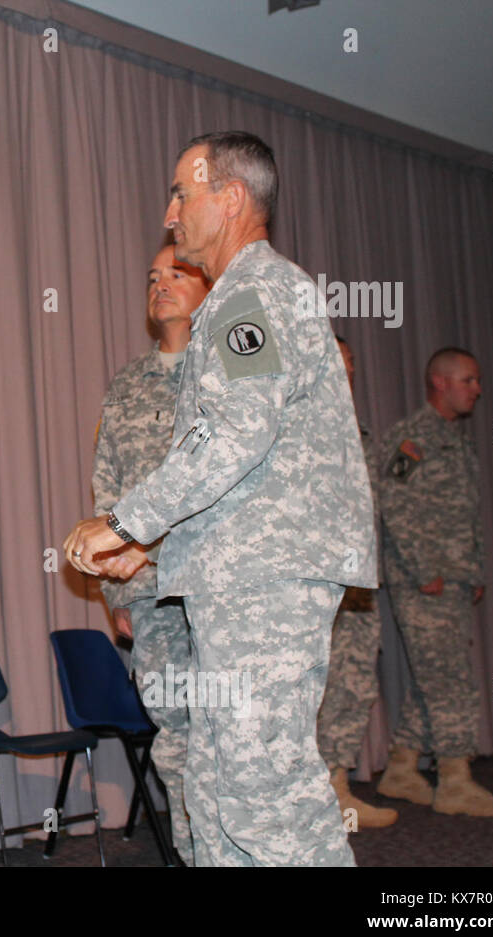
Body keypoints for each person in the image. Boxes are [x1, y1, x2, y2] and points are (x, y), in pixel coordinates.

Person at [64, 131, 376, 866]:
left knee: (265, 791)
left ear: (231, 197)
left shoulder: (251, 296)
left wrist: (123, 520)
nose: (170, 213)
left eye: (182, 192)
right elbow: (242, 455)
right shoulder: (239, 299)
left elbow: (238, 432)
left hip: (265, 578)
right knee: (212, 787)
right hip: (238, 574)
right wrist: (147, 544)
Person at [91, 243, 208, 864]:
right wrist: (118, 590)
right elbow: (107, 493)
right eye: (152, 276)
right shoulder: (127, 384)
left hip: (220, 586)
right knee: (179, 742)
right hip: (153, 596)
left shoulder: (227, 371)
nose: (160, 285)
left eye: (177, 273)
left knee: (237, 739)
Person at [373, 348, 493, 816]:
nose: (477, 390)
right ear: (440, 382)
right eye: (468, 380)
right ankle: (455, 779)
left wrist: (474, 570)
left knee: (432, 676)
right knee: (451, 679)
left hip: (452, 579)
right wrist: (422, 569)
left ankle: (401, 768)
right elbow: (393, 504)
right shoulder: (412, 438)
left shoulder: (457, 439)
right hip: (424, 582)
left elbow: (466, 513)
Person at [316, 337, 398, 828]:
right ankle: (315, 797)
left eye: (352, 366)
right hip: (323, 586)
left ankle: (337, 786)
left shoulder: (360, 433)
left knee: (354, 685)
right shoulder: (302, 425)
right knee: (318, 687)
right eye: (338, 363)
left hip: (361, 586)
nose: (347, 373)